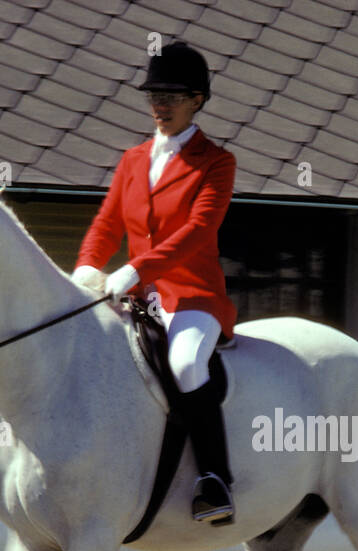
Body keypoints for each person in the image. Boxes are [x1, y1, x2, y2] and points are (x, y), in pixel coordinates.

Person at [71, 41, 238, 525]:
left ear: (198, 100)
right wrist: (88, 265)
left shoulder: (216, 163)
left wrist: (134, 269)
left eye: (172, 97)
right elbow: (107, 225)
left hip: (192, 297)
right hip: (138, 298)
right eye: (154, 96)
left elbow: (198, 231)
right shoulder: (132, 160)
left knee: (187, 364)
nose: (160, 106)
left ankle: (215, 481)